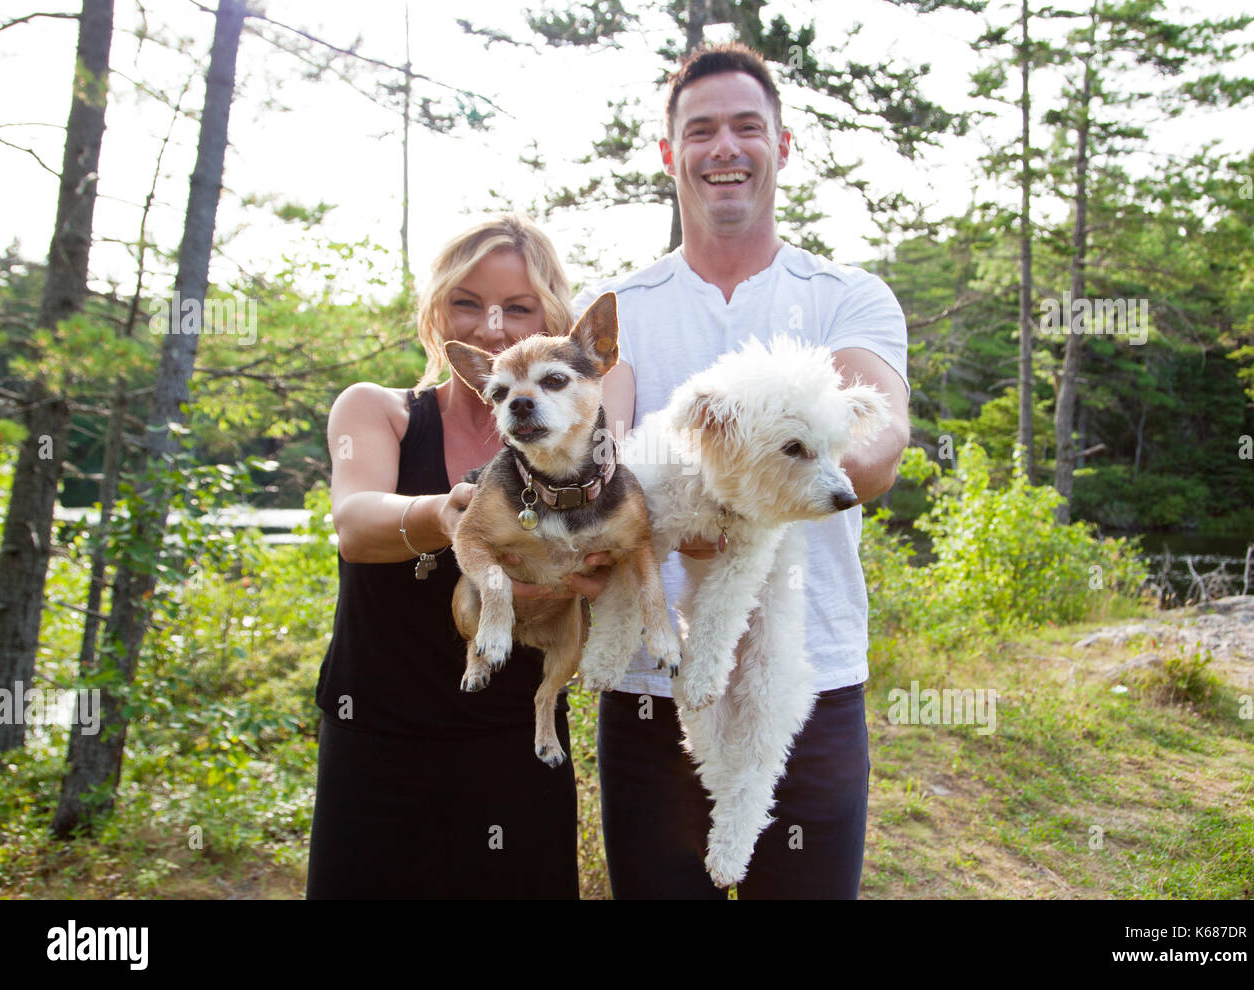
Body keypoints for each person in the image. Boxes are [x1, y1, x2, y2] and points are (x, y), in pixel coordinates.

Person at [573, 42, 911, 899]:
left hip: (811, 670)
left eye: (747, 127)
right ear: (670, 154)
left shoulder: (847, 295)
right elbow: (602, 448)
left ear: (783, 146)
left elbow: (878, 440)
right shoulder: (622, 307)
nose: (725, 147)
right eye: (702, 129)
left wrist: (769, 499)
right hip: (653, 681)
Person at [307, 214, 608, 899]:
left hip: (515, 745)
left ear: (553, 316)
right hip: (376, 742)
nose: (493, 328)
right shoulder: (377, 412)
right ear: (436, 309)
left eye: (519, 307)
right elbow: (355, 523)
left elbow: (609, 553)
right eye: (467, 302)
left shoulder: (577, 448)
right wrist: (444, 514)